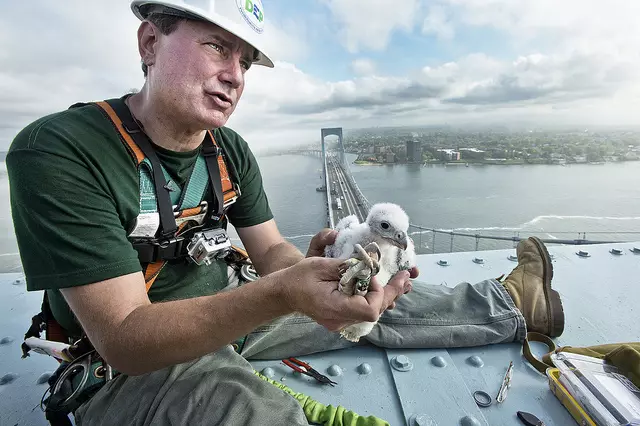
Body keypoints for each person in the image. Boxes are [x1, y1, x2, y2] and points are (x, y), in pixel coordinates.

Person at [6, 1, 564, 425]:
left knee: (370, 299)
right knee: (250, 410)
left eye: (244, 60)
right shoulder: (60, 151)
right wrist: (285, 291)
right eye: (217, 48)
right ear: (150, 40)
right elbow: (126, 338)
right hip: (129, 363)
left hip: (229, 311)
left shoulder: (228, 150)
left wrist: (317, 275)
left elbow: (271, 250)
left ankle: (515, 304)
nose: (235, 75)